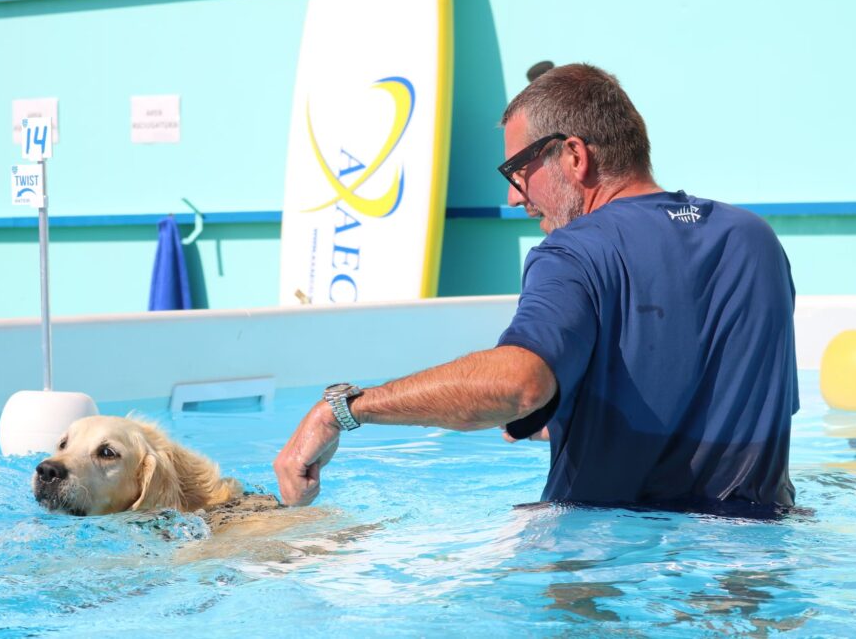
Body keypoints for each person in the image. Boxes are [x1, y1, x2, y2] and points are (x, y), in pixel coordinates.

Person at [274, 63, 798, 512]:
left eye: (518, 169)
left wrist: (343, 409)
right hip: (750, 570)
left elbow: (518, 384)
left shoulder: (574, 250)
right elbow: (732, 412)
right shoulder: (754, 240)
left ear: (574, 155)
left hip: (610, 570)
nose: (512, 194)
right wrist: (576, 416)